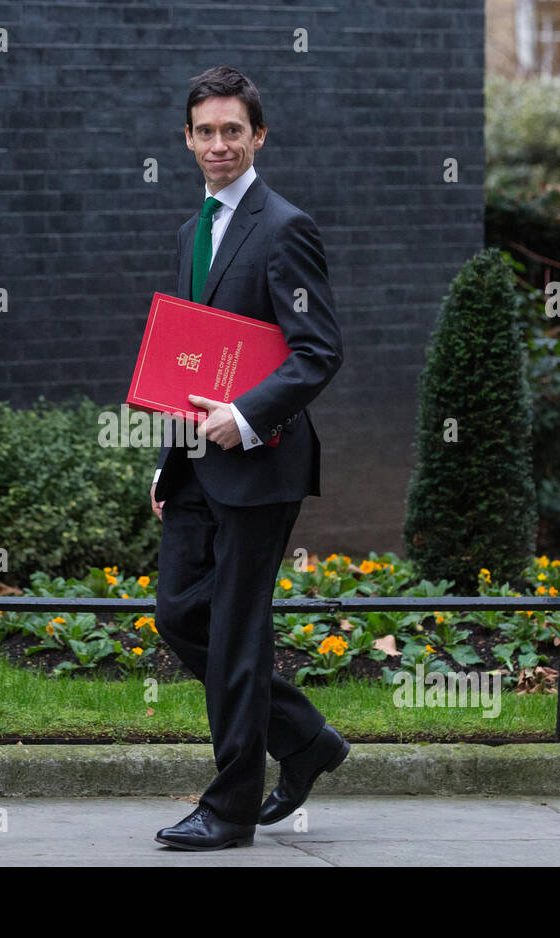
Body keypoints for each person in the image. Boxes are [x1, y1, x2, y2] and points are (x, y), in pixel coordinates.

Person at [150, 65, 349, 851]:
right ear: (188, 139)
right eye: (206, 130)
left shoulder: (284, 226)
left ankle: (230, 809)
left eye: (234, 130)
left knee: (236, 635)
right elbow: (185, 362)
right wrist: (169, 463)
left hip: (263, 466)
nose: (219, 143)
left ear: (258, 136)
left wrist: (244, 415)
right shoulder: (190, 232)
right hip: (197, 467)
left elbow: (318, 351)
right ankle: (303, 738)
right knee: (179, 616)